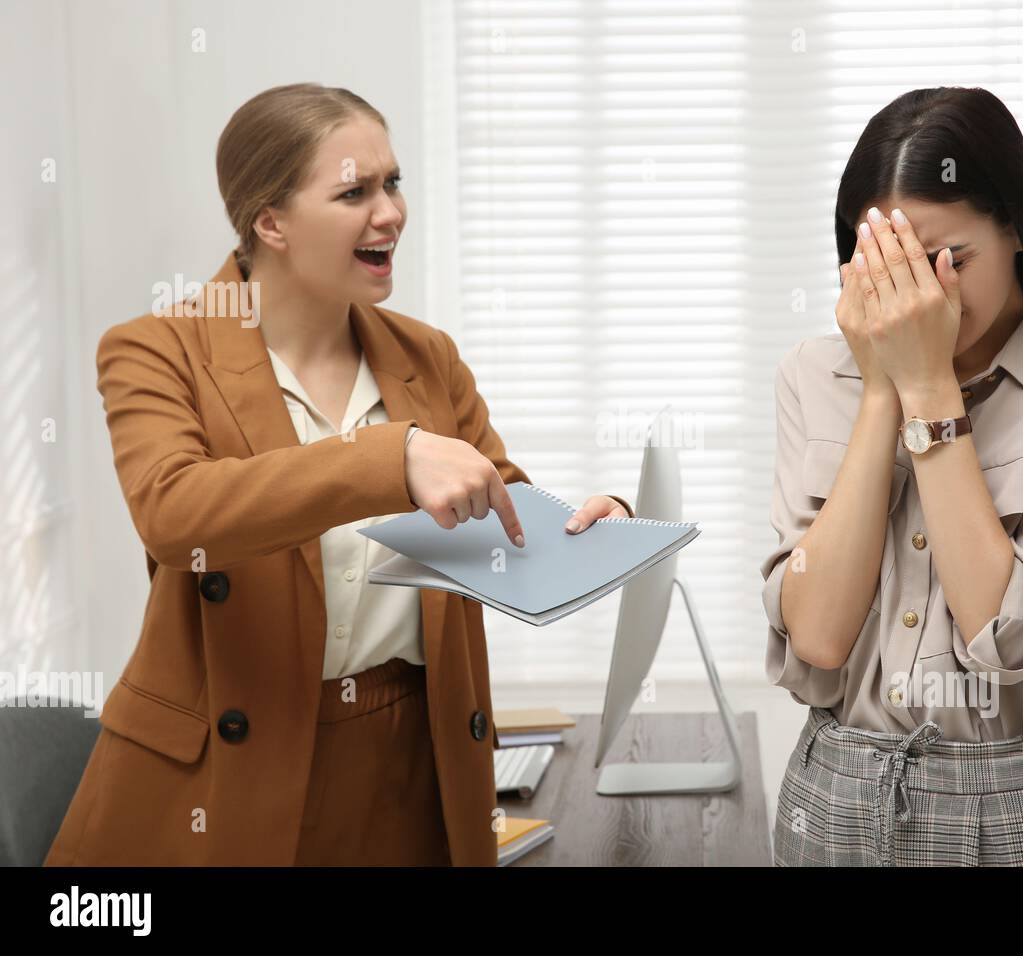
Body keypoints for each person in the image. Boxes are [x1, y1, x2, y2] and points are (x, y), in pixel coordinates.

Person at [45, 83, 634, 866]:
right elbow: (175, 512)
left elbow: (500, 514)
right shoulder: (159, 349)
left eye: (392, 183)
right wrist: (391, 458)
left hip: (407, 764)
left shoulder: (428, 356)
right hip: (223, 772)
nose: (389, 212)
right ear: (271, 222)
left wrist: (588, 527)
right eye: (354, 191)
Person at [764, 86, 1023, 866]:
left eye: (945, 262)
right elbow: (816, 637)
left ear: (1016, 224)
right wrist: (882, 386)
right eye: (886, 270)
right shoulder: (810, 374)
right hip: (833, 795)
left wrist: (927, 387)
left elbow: (999, 631)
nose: (917, 301)